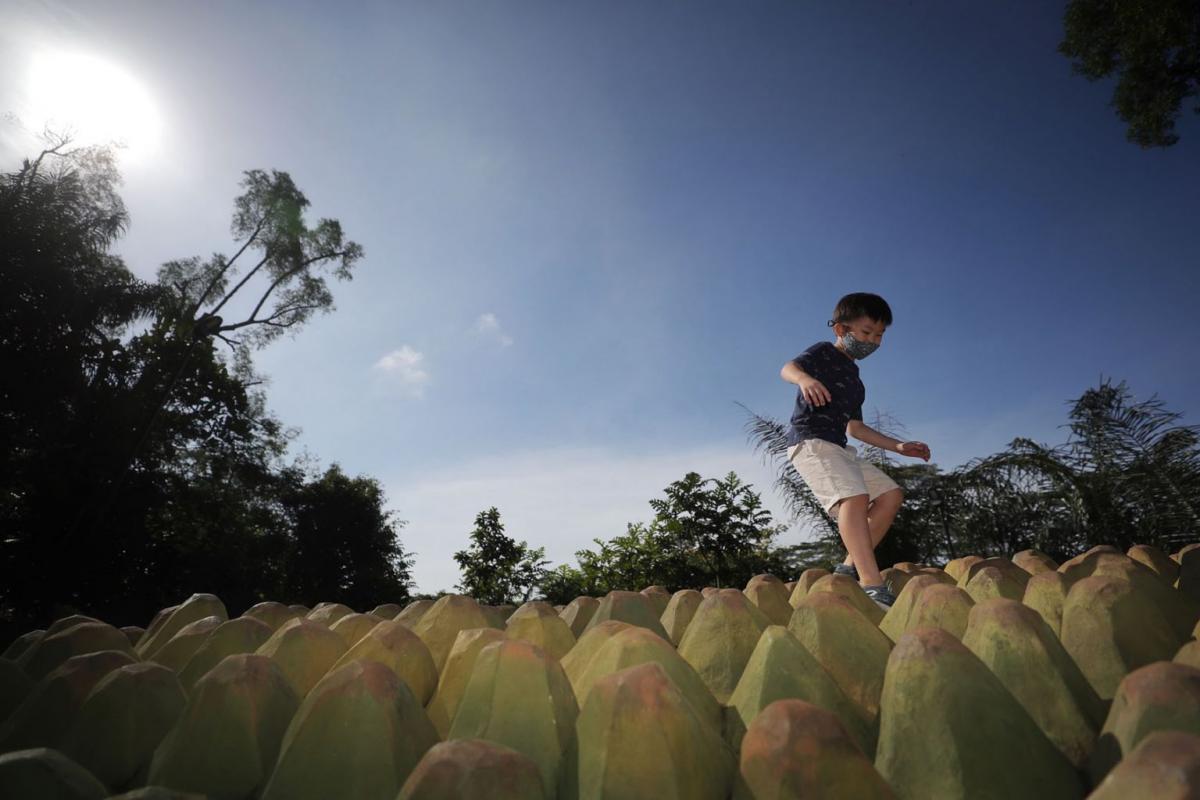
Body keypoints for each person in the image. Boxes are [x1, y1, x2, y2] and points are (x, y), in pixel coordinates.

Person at [779, 292, 931, 609]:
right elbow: (788, 368)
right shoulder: (823, 353)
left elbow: (856, 428)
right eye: (866, 333)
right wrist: (805, 380)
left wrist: (900, 447)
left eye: (879, 336)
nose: (873, 341)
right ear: (841, 330)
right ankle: (872, 585)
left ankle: (847, 569)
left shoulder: (856, 381)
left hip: (839, 446)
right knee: (856, 498)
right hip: (810, 441)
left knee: (890, 495)